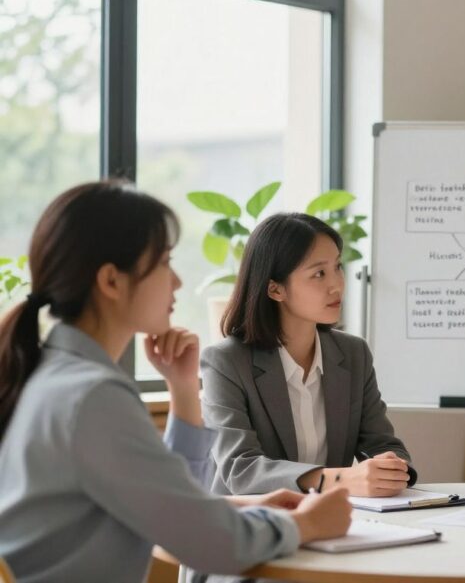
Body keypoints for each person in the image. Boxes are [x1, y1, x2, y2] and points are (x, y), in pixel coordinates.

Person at [0, 181, 350, 583]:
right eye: (165, 262)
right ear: (111, 281)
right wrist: (308, 525)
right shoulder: (94, 396)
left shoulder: (56, 374)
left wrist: (183, 391)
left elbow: (167, 498)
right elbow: (206, 543)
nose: (178, 282)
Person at [202, 213, 415, 497]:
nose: (337, 284)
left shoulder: (353, 353)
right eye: (319, 273)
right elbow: (241, 469)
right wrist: (338, 480)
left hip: (333, 523)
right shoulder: (226, 362)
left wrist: (390, 466)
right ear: (275, 289)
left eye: (338, 267)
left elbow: (381, 443)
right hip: (252, 526)